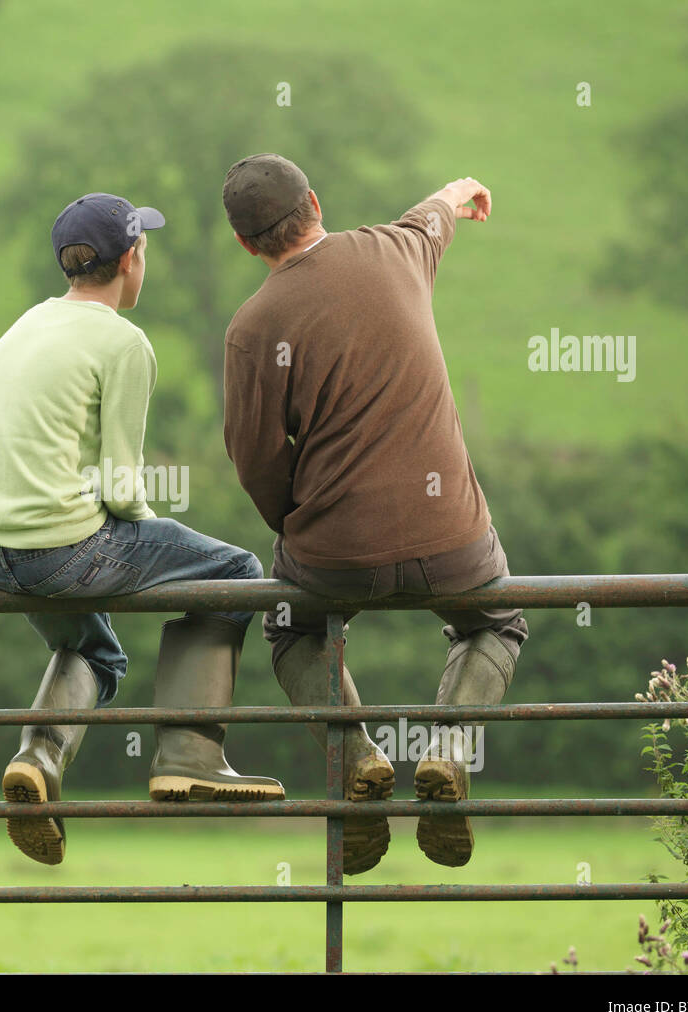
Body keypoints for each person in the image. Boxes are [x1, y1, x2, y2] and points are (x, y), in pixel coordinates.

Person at [220, 154, 529, 873]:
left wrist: (297, 523)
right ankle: (449, 751)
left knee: (294, 628)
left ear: (245, 244)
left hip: (333, 552)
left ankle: (359, 759)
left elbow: (256, 458)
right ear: (317, 201)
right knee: (497, 619)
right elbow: (434, 215)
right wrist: (462, 190)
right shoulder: (398, 248)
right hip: (453, 537)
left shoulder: (253, 326)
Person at [0, 192, 282, 867]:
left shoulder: (24, 326)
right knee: (236, 572)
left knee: (100, 653)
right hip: (61, 549)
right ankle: (189, 755)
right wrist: (156, 541)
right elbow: (121, 486)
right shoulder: (124, 342)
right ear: (132, 259)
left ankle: (38, 759)